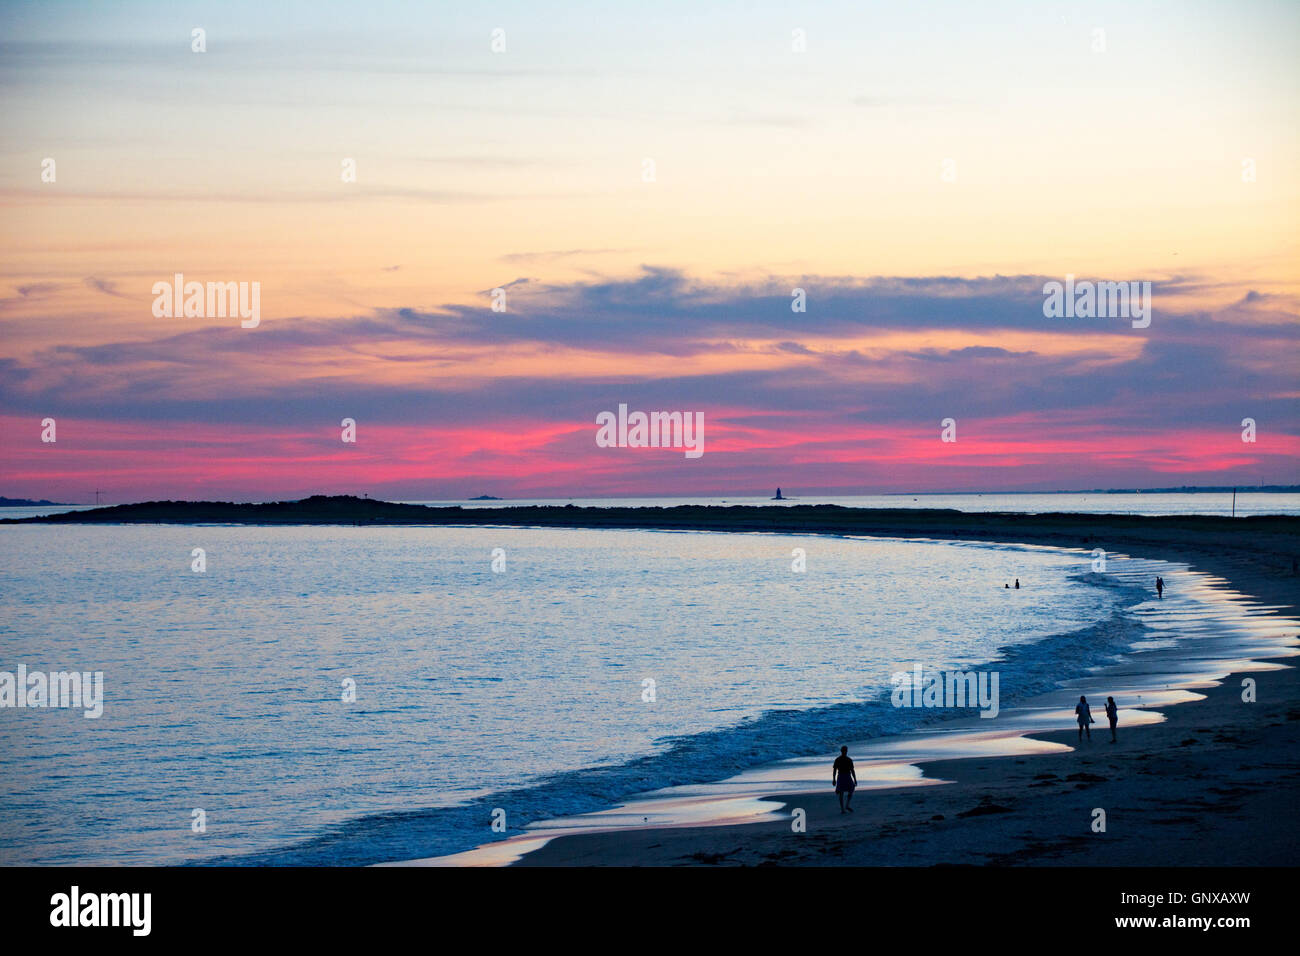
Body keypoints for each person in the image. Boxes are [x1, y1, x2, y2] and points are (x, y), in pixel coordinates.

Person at [832, 745, 856, 813]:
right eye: (844, 751)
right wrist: (855, 779)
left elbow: (835, 771)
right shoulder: (848, 760)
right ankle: (845, 807)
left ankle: (844, 807)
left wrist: (834, 779)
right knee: (845, 791)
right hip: (845, 776)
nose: (845, 752)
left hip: (843, 776)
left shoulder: (838, 759)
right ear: (845, 751)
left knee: (844, 791)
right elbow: (852, 770)